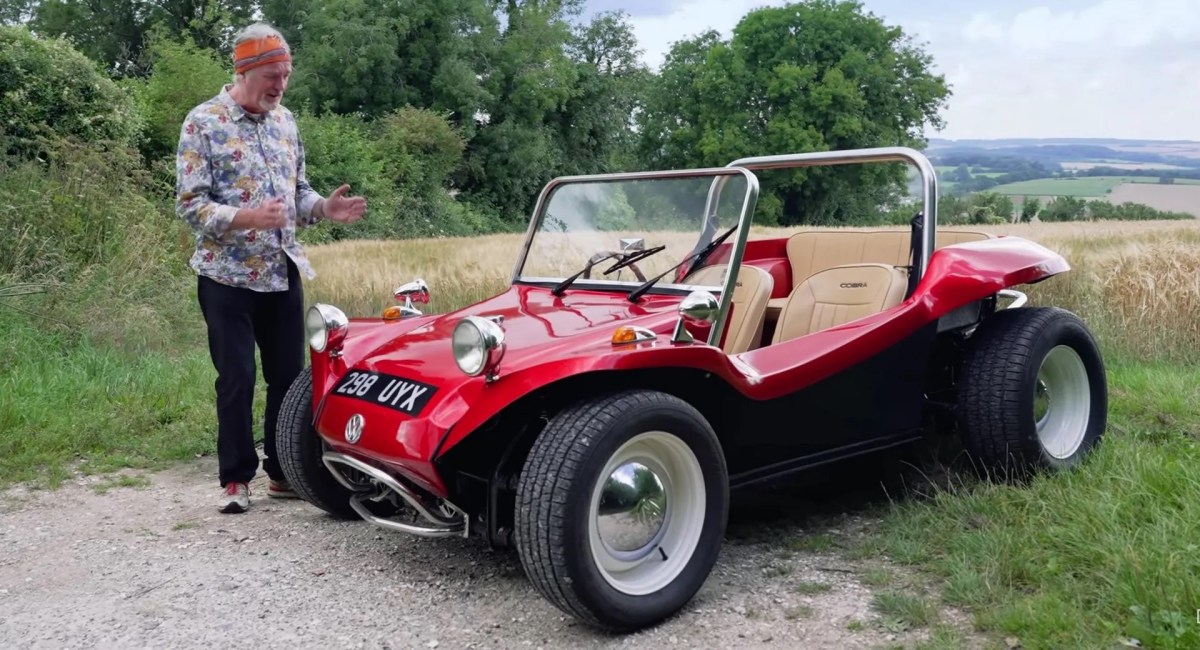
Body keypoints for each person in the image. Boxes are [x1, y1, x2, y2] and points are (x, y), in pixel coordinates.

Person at [175, 22, 366, 514]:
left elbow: (299, 194)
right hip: (226, 276)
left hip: (283, 270)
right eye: (272, 76)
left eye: (286, 76)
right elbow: (191, 205)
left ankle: (282, 472)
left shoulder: (286, 122)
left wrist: (324, 208)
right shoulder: (203, 122)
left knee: (289, 375)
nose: (280, 86)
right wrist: (245, 218)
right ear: (245, 70)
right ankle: (235, 479)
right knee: (236, 376)